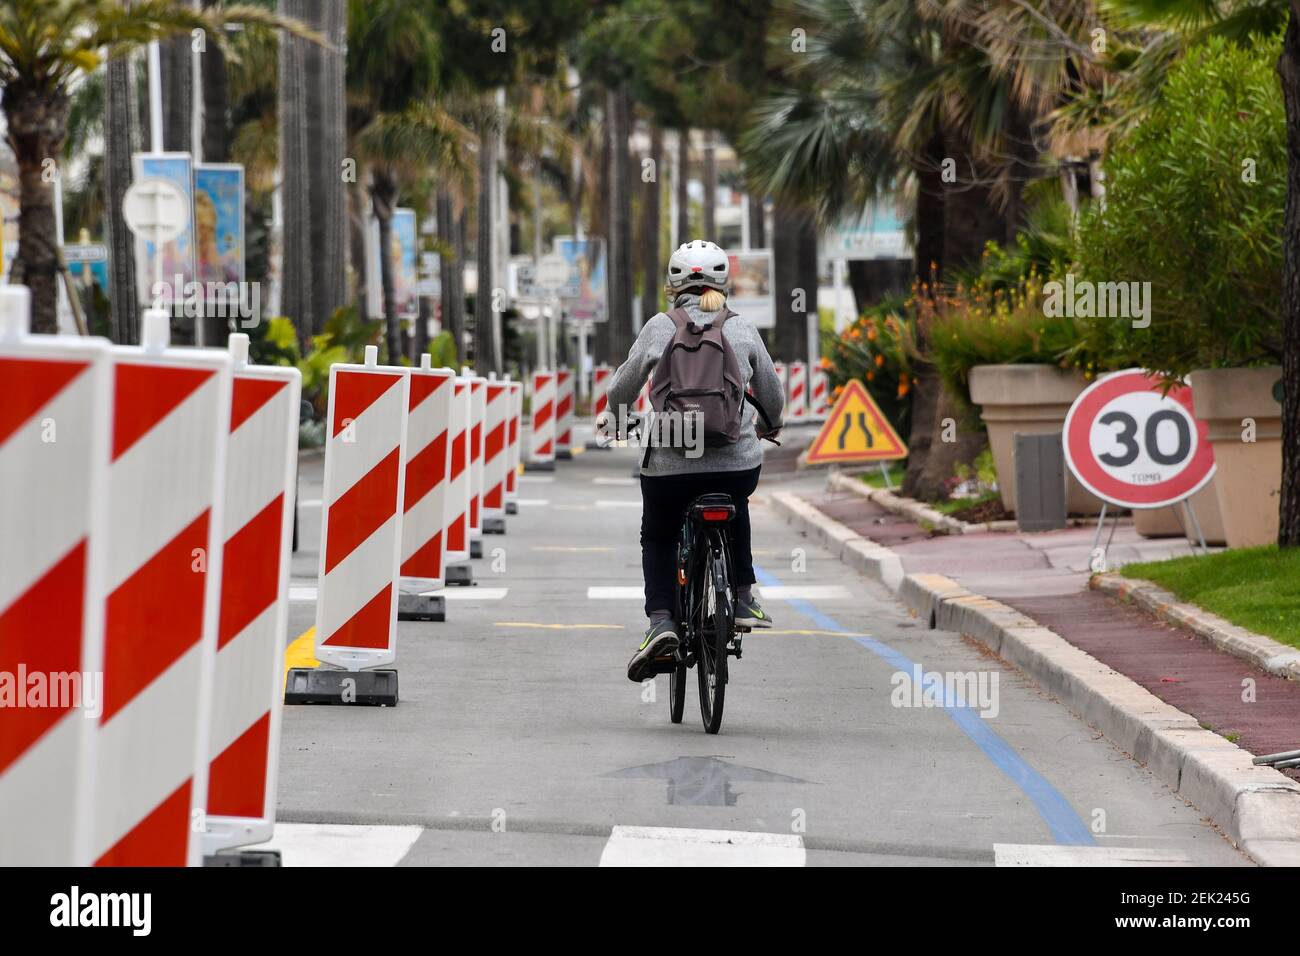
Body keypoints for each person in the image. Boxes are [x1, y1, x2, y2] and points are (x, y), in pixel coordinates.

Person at [603, 240, 785, 683]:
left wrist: (621, 422)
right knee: (734, 502)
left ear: (673, 285)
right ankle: (743, 596)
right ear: (724, 283)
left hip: (671, 466)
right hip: (736, 461)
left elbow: (621, 390)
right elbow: (772, 393)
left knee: (659, 534)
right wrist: (771, 426)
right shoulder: (742, 329)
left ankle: (661, 622)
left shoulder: (658, 327)